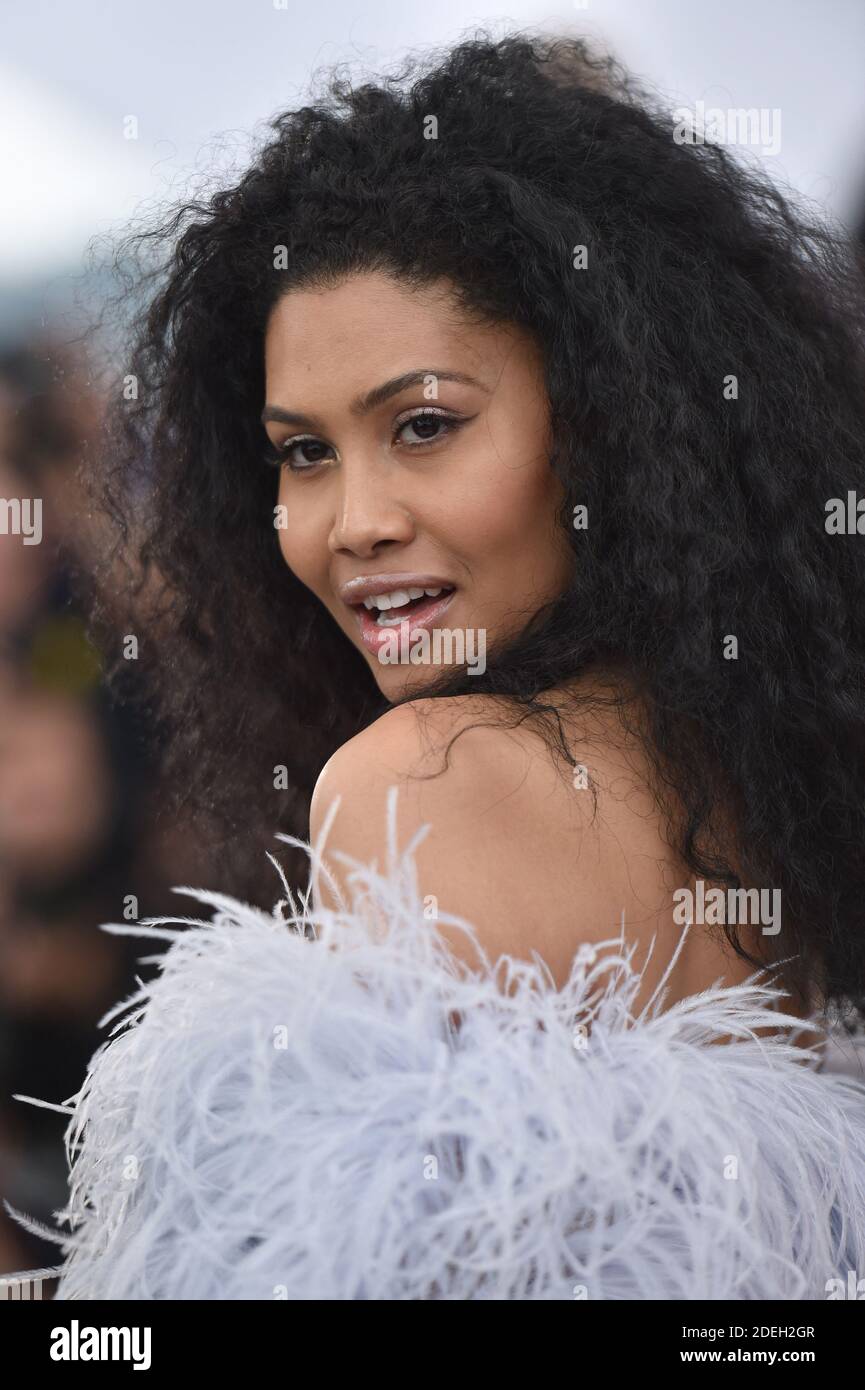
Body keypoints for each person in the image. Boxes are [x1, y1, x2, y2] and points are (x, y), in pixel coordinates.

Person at [7, 31, 865, 1300]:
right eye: (301, 453)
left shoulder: (421, 782)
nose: (352, 520)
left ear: (609, 423)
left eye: (423, 426)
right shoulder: (782, 774)